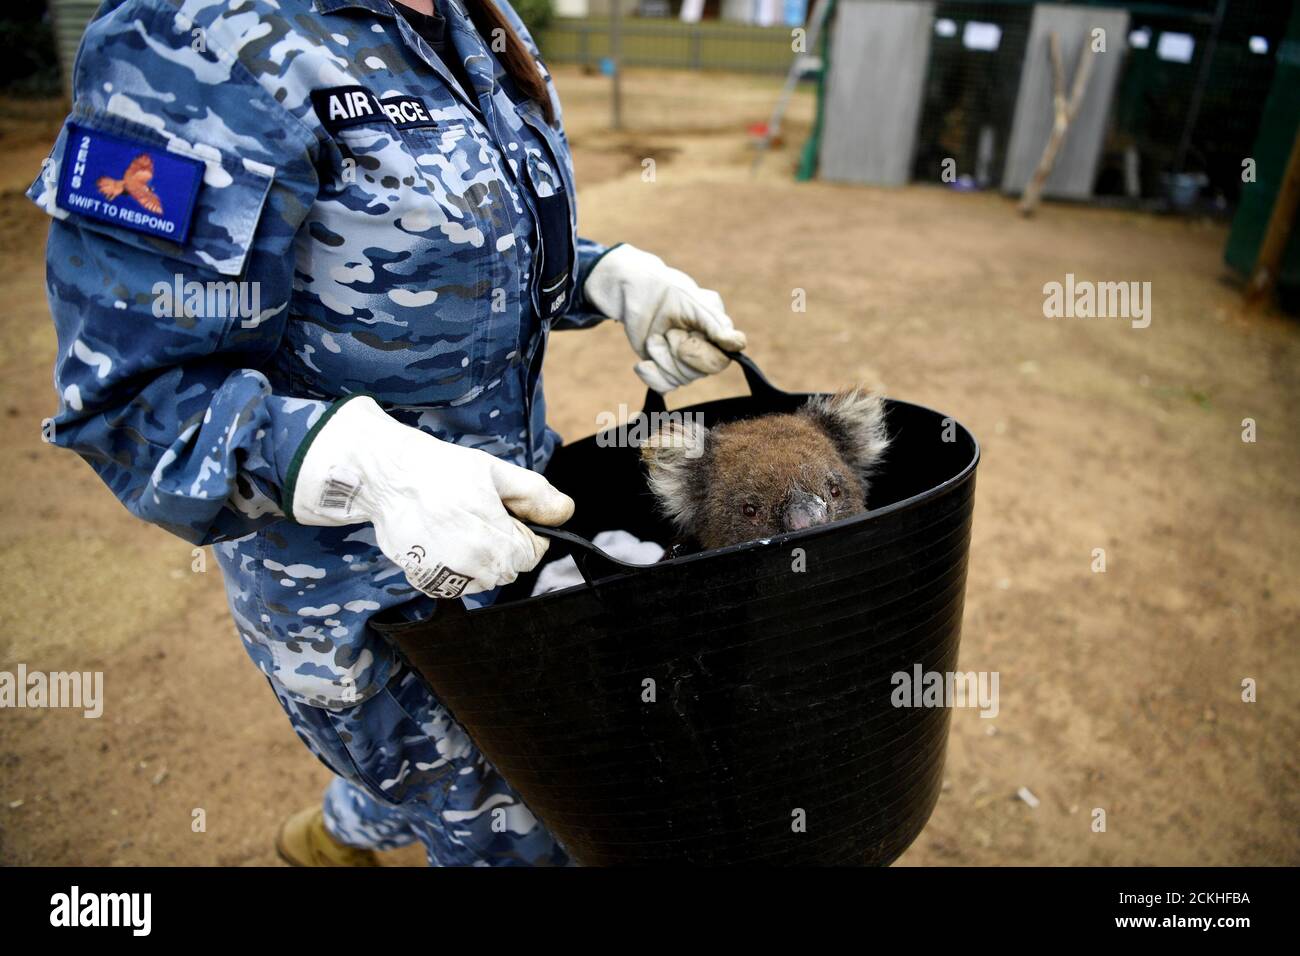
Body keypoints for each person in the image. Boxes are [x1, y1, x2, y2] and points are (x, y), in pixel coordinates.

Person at [28, 0, 747, 866]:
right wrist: (371, 469)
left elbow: (443, 241)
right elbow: (133, 401)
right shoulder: (192, 38)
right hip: (371, 607)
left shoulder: (464, 16)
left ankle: (340, 834)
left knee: (463, 771)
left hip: (511, 548)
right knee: (555, 824)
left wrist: (606, 276)